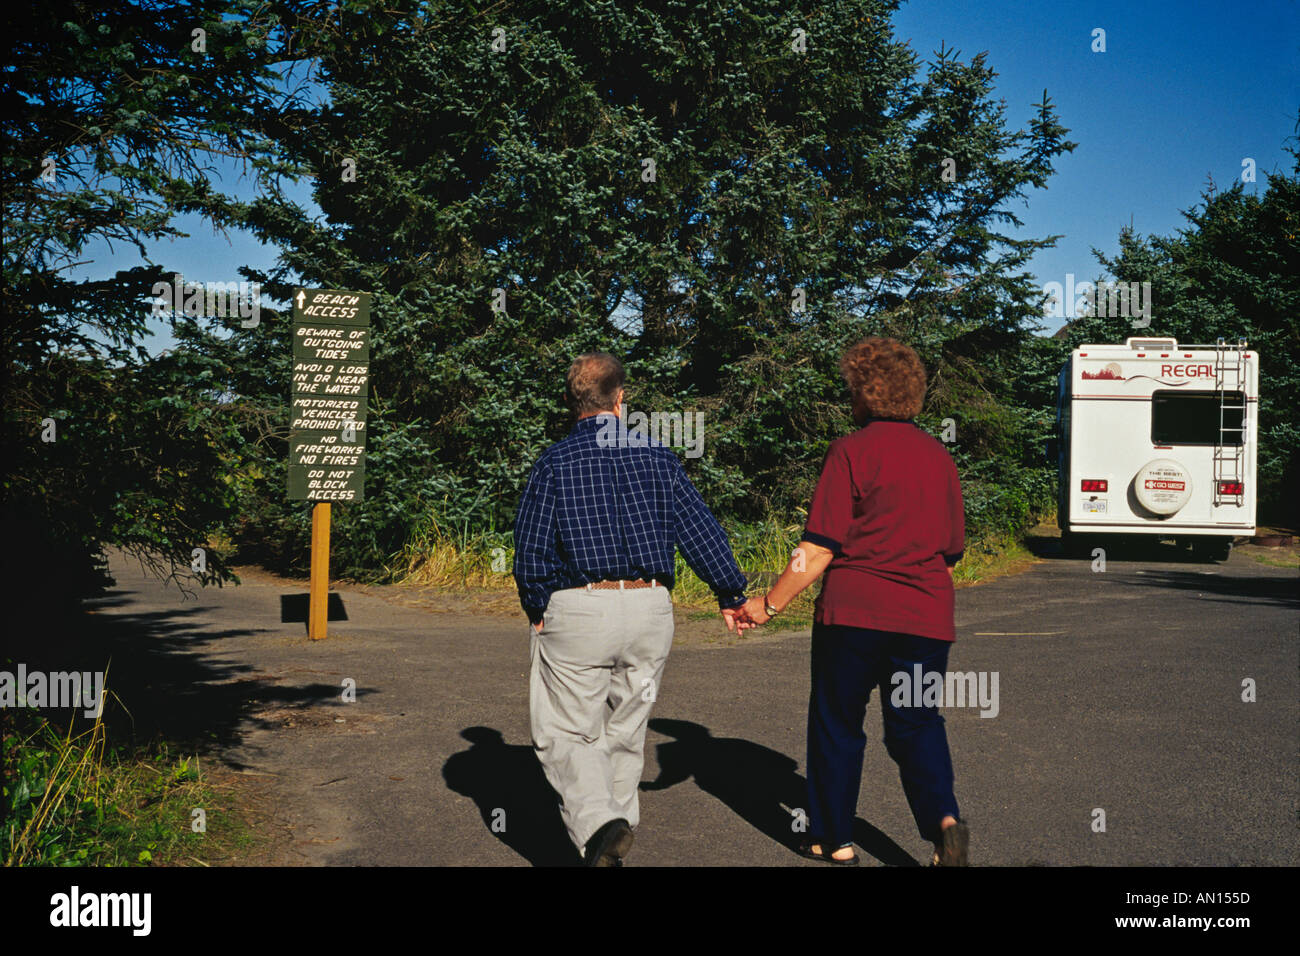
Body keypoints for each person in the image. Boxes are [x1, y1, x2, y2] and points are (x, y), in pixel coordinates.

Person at [735, 336, 970, 867]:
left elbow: (818, 548)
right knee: (917, 723)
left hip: (854, 616)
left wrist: (767, 605)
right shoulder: (939, 457)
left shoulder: (850, 451)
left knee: (838, 723)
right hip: (926, 617)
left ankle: (833, 839)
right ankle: (944, 823)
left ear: (867, 392)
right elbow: (951, 550)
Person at [512, 352, 753, 866]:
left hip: (579, 608)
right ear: (620, 399)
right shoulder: (659, 458)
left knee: (564, 732)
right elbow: (700, 530)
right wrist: (730, 594)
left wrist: (537, 605)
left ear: (572, 403)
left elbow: (531, 548)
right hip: (649, 609)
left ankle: (601, 825)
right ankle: (612, 845)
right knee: (627, 730)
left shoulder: (554, 462)